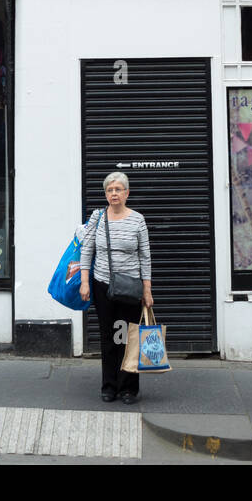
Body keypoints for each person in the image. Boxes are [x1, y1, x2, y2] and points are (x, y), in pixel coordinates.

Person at [79, 172, 153, 404]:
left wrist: (147, 290)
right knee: (108, 337)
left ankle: (129, 388)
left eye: (118, 189)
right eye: (110, 190)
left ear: (127, 193)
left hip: (130, 287)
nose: (114, 194)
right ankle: (109, 386)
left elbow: (145, 256)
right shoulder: (98, 217)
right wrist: (84, 281)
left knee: (130, 337)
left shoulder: (137, 220)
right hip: (103, 285)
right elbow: (87, 249)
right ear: (106, 194)